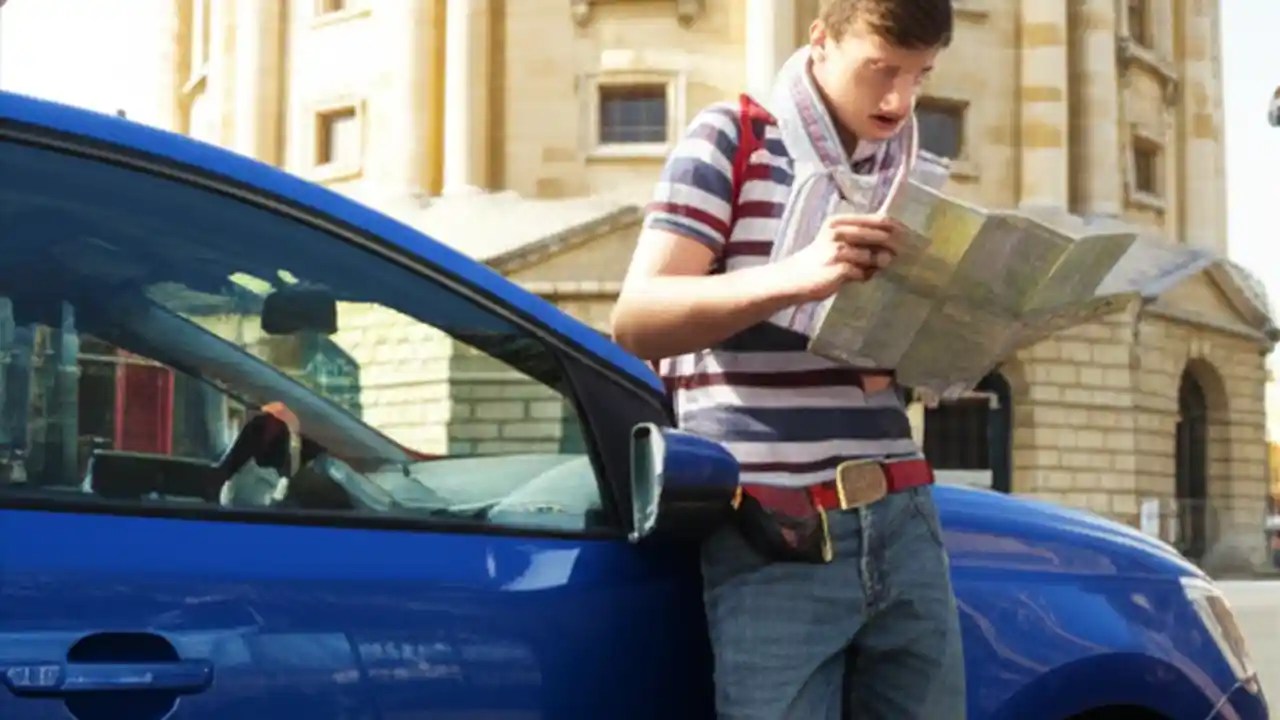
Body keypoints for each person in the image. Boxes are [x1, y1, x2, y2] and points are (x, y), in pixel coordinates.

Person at [611, 1, 964, 718]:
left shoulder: (911, 173)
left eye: (921, 75)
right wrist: (799, 275)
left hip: (906, 517)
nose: (901, 100)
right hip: (778, 531)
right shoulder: (730, 138)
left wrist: (951, 348)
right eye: (882, 70)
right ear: (822, 39)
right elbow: (637, 320)